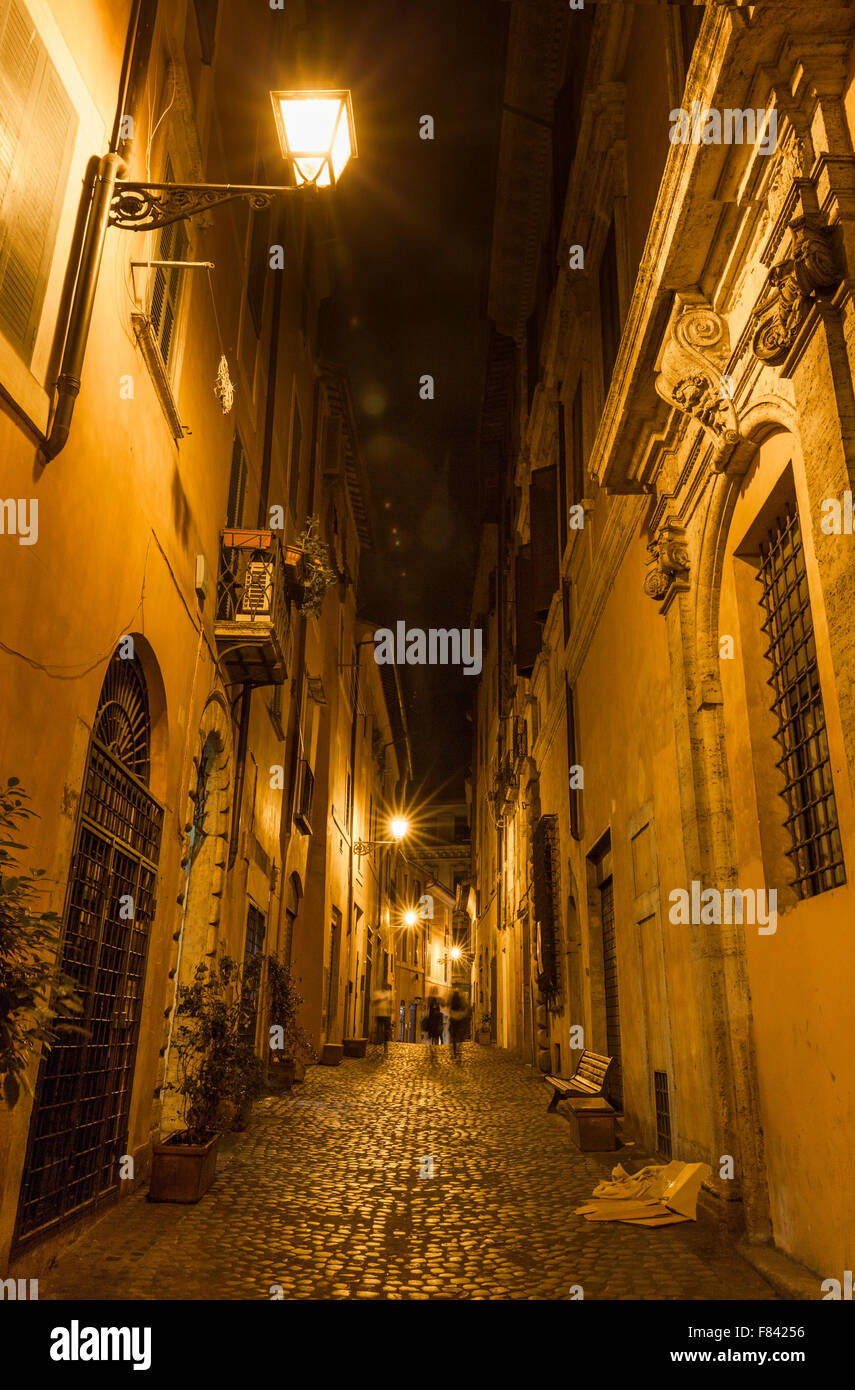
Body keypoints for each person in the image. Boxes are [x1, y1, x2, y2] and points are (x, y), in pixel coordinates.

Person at [372, 983, 393, 1057]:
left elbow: (390, 1003)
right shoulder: (377, 993)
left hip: (386, 1015)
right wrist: (381, 999)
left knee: (386, 1030)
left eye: (386, 986)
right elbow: (374, 1002)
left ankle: (385, 1043)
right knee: (379, 1029)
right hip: (379, 1014)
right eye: (384, 986)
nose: (385, 987)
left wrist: (390, 1012)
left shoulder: (389, 994)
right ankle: (377, 1042)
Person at [448, 989, 469, 1061]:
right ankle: (459, 1050)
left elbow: (448, 1005)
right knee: (460, 1036)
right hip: (460, 1019)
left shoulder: (452, 999)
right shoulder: (461, 999)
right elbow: (465, 1007)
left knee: (453, 1037)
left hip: (453, 1019)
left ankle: (454, 1051)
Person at [424, 991, 443, 1063]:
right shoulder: (433, 1006)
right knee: (434, 1035)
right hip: (433, 1024)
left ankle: (435, 1046)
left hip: (434, 1024)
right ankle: (434, 1046)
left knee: (435, 1035)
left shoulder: (433, 1007)